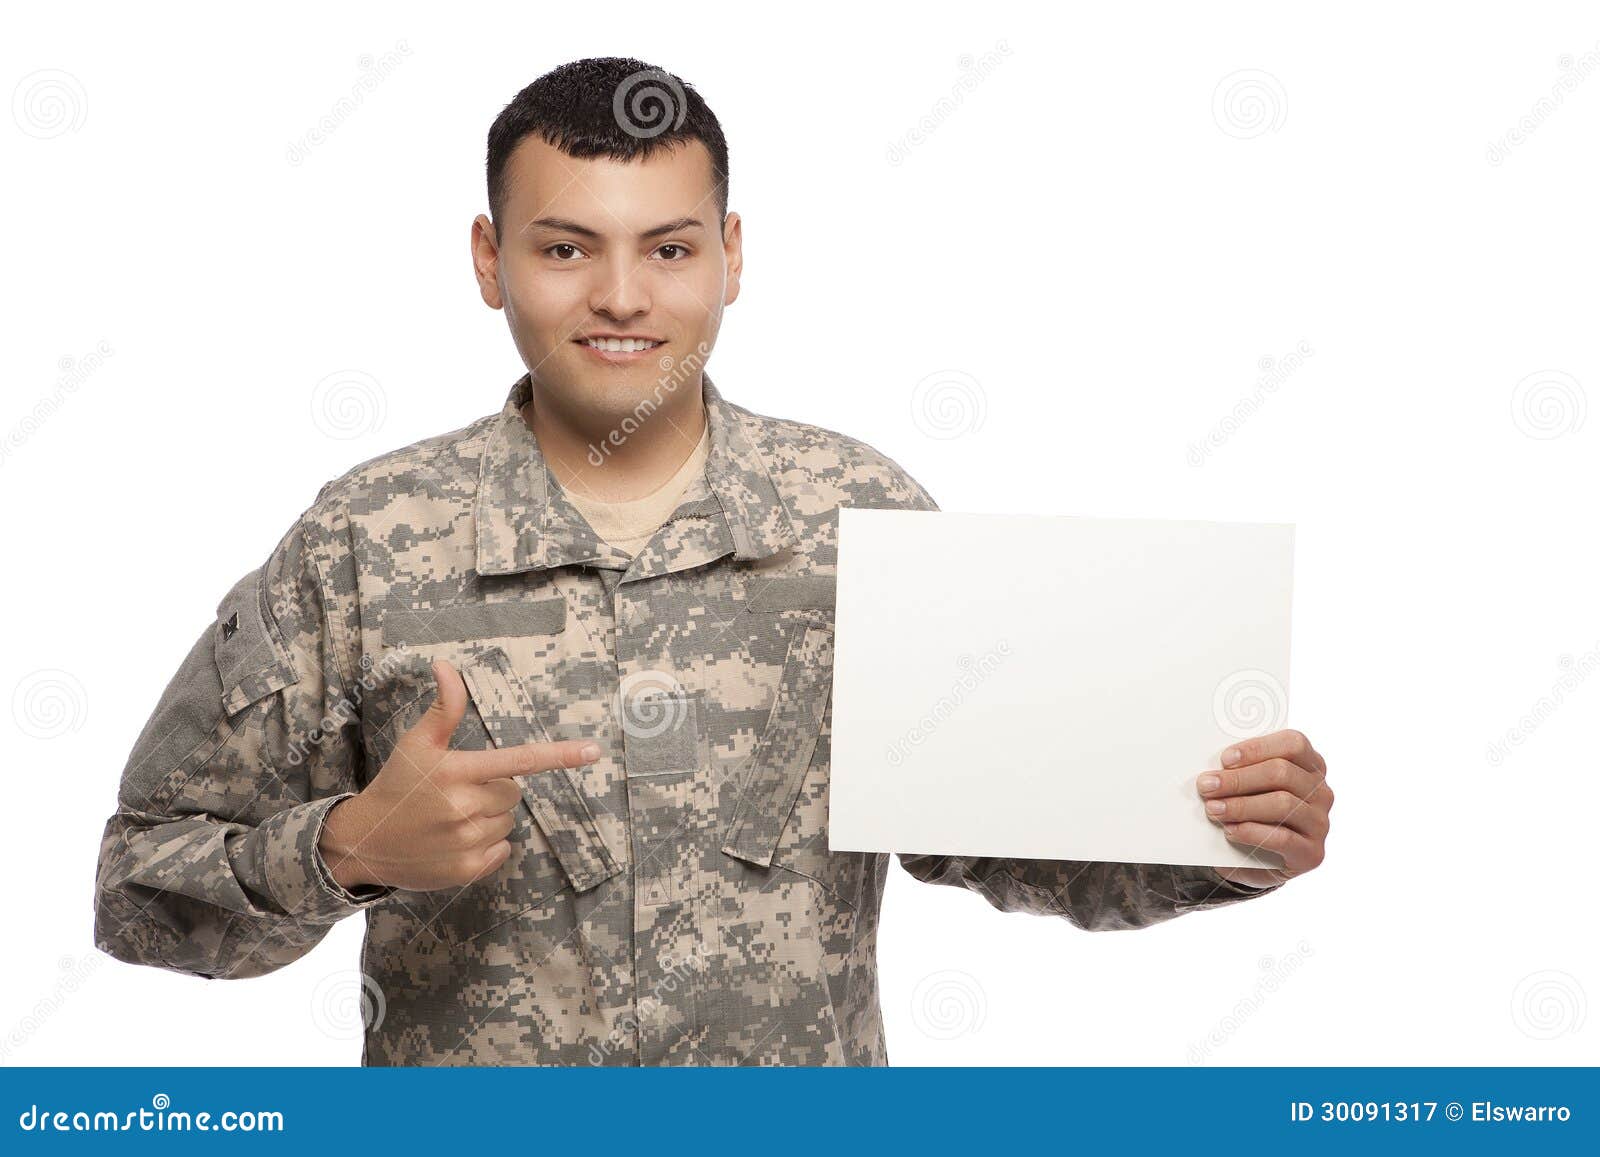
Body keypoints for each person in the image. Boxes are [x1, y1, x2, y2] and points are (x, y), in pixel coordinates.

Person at [93, 57, 1334, 1066]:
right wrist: (348, 849)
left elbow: (1003, 836)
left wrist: (1224, 836)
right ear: (488, 258)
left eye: (670, 248)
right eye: (565, 248)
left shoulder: (859, 518)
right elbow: (136, 887)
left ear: (731, 254)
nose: (622, 296)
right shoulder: (362, 542)